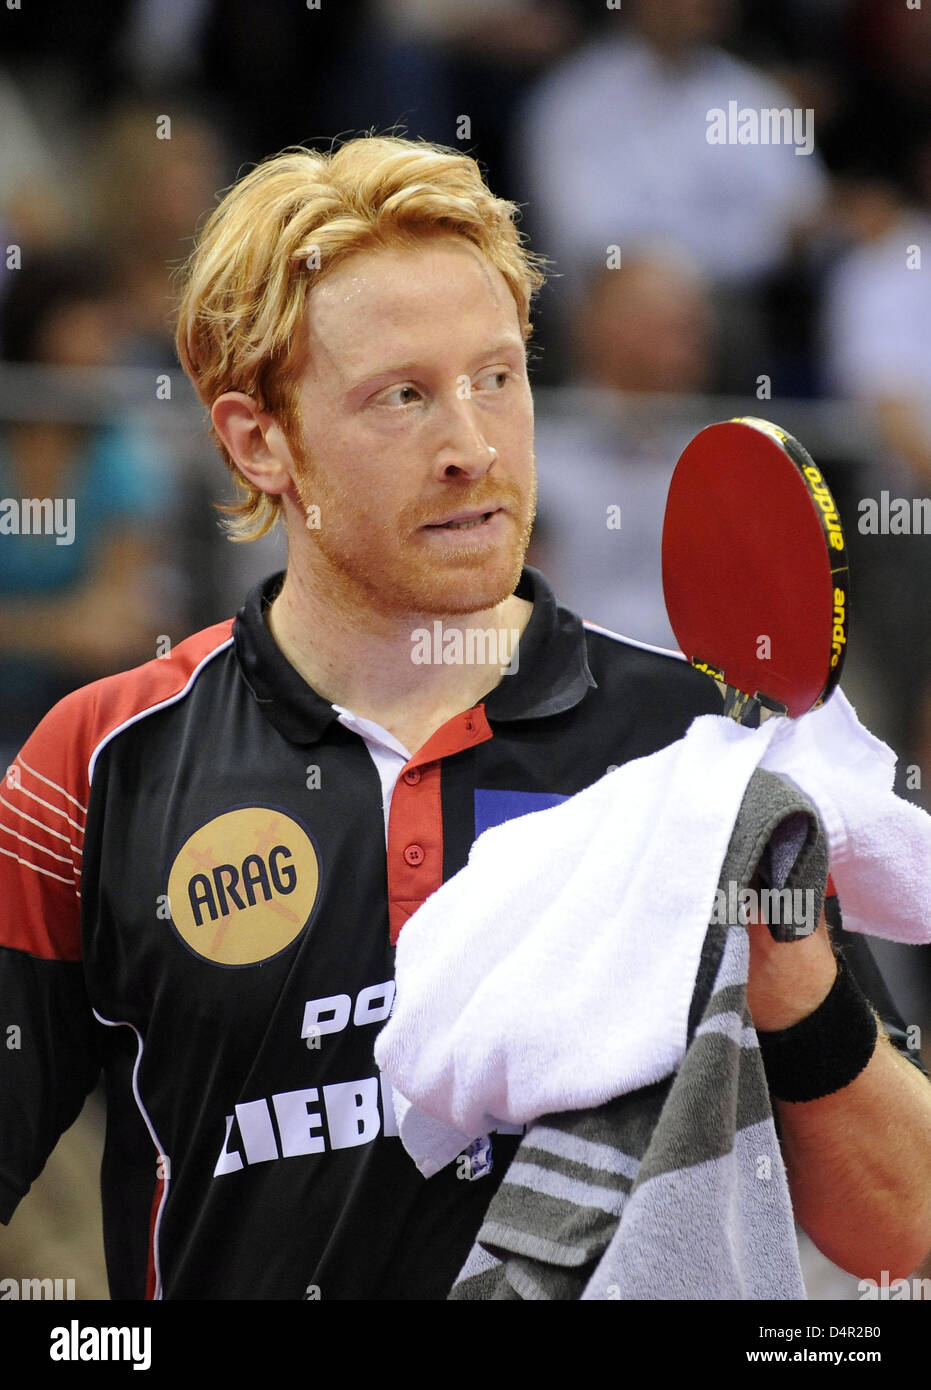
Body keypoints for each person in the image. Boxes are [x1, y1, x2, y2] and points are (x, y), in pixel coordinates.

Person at [1, 135, 929, 1301]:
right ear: (259, 440)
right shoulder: (97, 763)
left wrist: (779, 956)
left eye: (498, 377)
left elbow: (900, 1227)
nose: (475, 448)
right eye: (403, 396)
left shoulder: (696, 756)